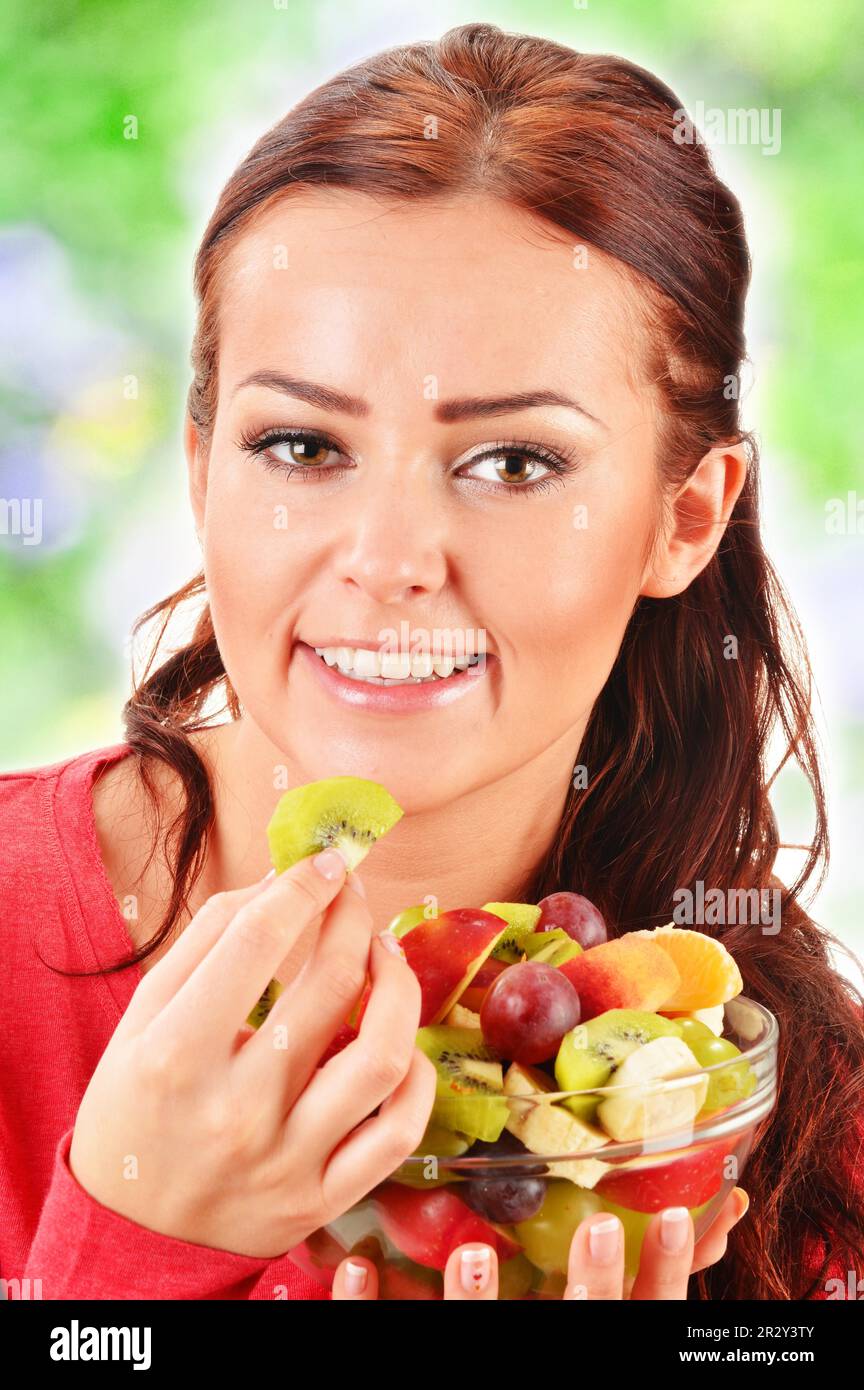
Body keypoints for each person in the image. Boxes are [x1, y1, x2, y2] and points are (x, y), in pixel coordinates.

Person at [2, 22, 862, 1302]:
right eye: (301, 446)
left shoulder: (793, 1121)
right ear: (201, 473)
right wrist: (128, 1254)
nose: (389, 559)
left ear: (684, 516)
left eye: (513, 463)